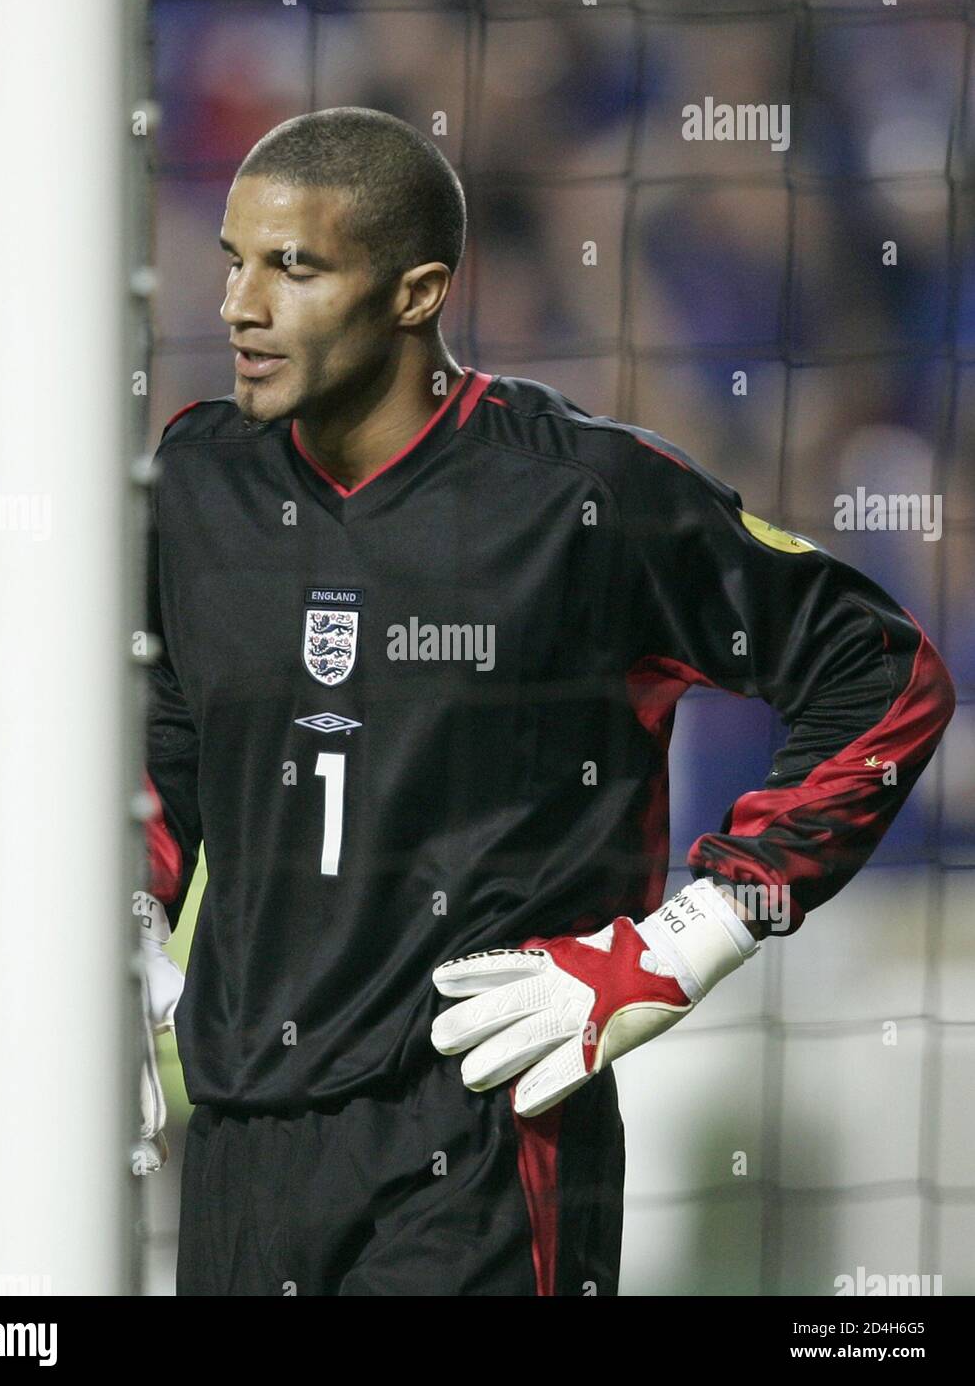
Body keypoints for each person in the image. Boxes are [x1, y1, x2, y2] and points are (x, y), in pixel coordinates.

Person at [139, 107, 956, 1296]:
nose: (240, 305)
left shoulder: (581, 497)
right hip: (241, 1144)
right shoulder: (199, 479)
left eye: (292, 267)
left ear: (417, 292)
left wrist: (692, 937)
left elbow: (883, 674)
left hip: (481, 1129)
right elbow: (164, 712)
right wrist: (126, 908)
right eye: (234, 263)